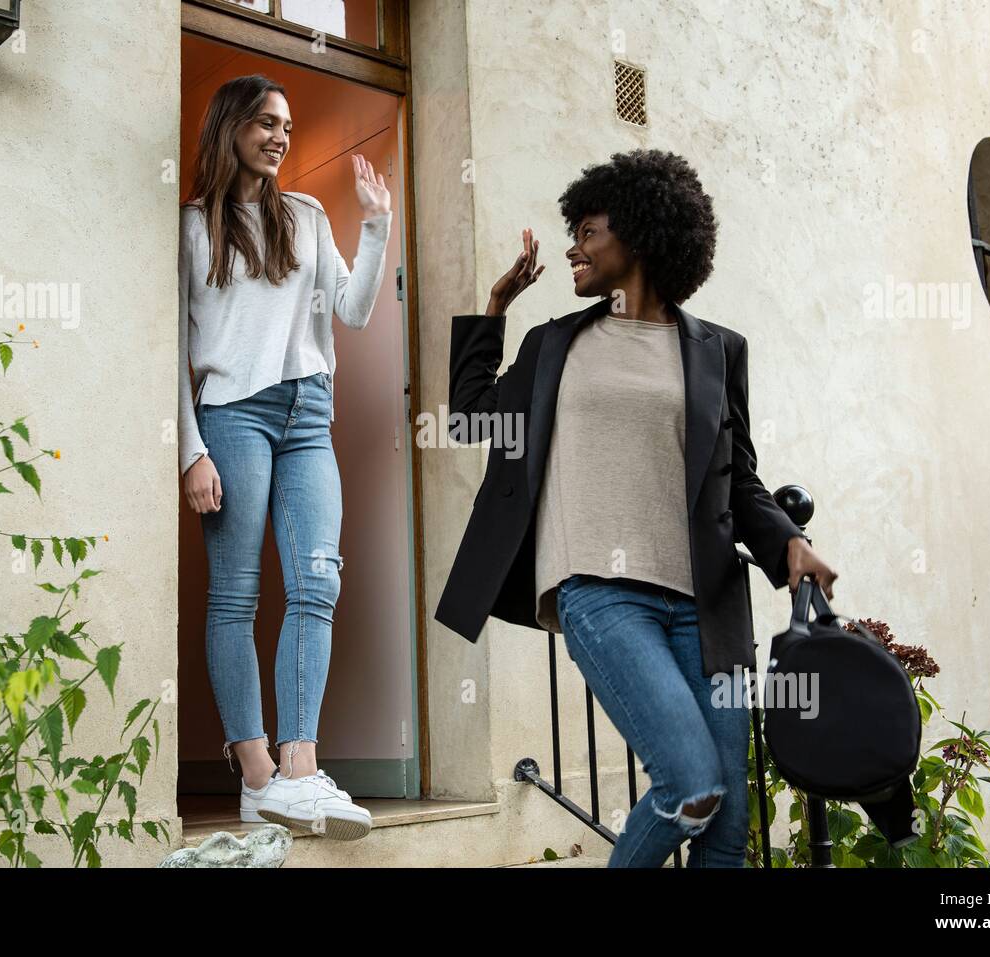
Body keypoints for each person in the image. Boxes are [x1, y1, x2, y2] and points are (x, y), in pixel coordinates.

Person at [433, 148, 838, 866]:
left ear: (642, 236)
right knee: (689, 783)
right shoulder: (556, 344)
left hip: (703, 602)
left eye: (588, 231)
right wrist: (494, 309)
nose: (572, 247)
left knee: (726, 827)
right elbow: (470, 418)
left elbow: (737, 477)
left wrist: (785, 545)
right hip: (599, 591)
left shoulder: (716, 351)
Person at [178, 74, 392, 841]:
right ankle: (256, 773)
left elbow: (355, 309)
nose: (279, 135)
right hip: (231, 415)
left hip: (309, 414)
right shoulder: (193, 227)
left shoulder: (303, 215)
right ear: (230, 124)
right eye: (266, 121)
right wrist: (191, 448)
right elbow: (173, 347)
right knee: (236, 596)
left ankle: (300, 770)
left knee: (316, 583)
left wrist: (376, 227)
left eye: (289, 126)